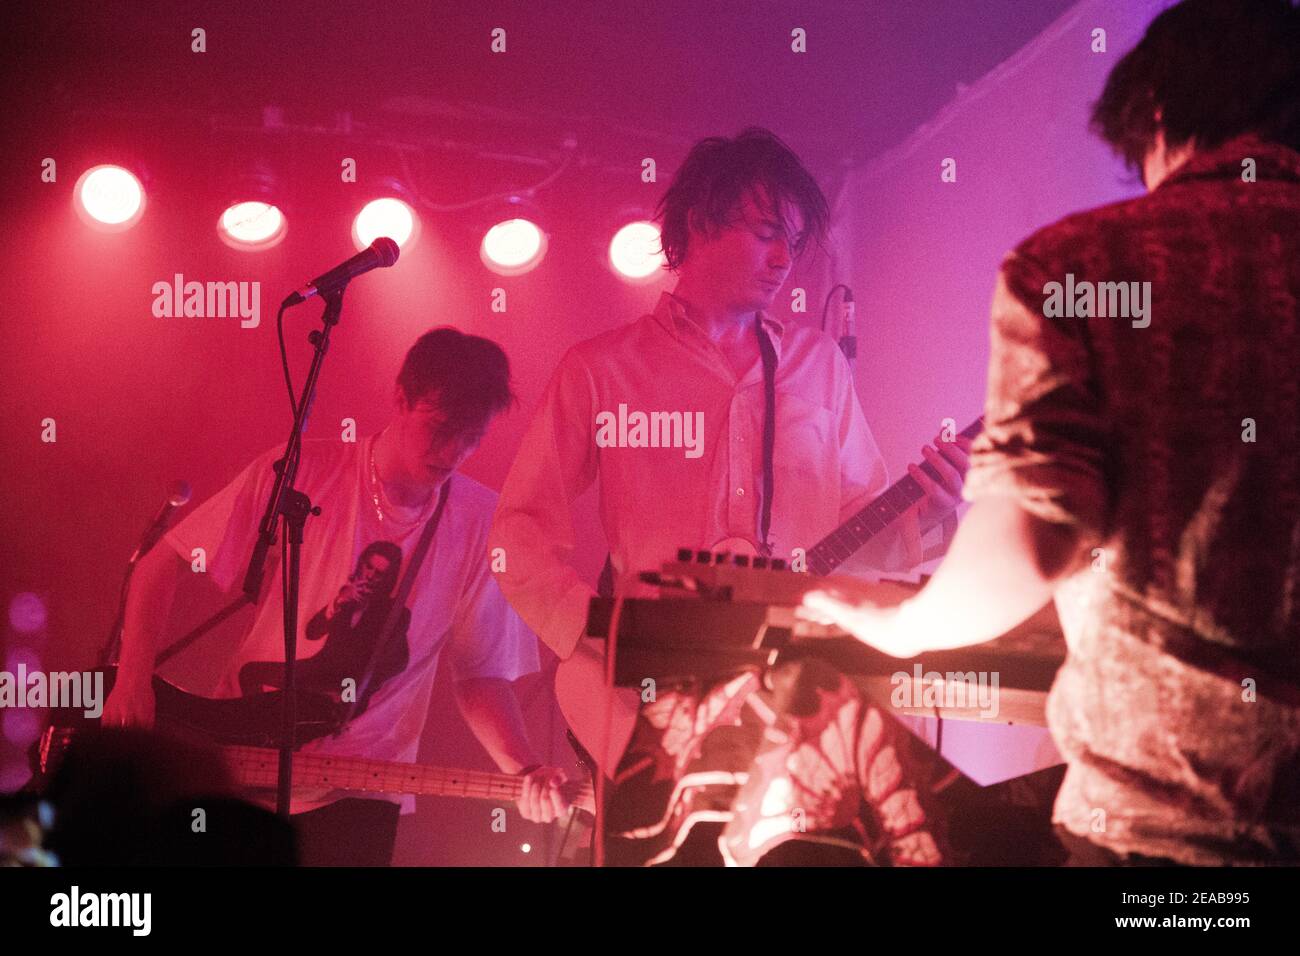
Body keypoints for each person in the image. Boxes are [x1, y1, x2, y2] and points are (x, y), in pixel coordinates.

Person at [802, 0, 1300, 866]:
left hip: (1162, 837)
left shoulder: (1079, 266)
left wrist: (907, 627)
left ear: (1157, 113)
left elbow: (1031, 543)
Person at [491, 128, 969, 865]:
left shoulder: (818, 368)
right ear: (697, 224)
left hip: (793, 701)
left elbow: (858, 532)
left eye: (795, 241)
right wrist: (592, 633)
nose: (784, 260)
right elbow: (519, 529)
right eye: (766, 233)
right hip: (655, 699)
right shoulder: (601, 369)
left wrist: (929, 509)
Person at [104, 327, 570, 865]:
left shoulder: (483, 524)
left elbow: (481, 675)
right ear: (400, 398)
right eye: (440, 428)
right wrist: (132, 678)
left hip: (362, 788)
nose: (454, 451)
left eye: (472, 437)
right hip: (240, 755)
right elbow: (165, 560)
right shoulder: (302, 472)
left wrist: (526, 770)